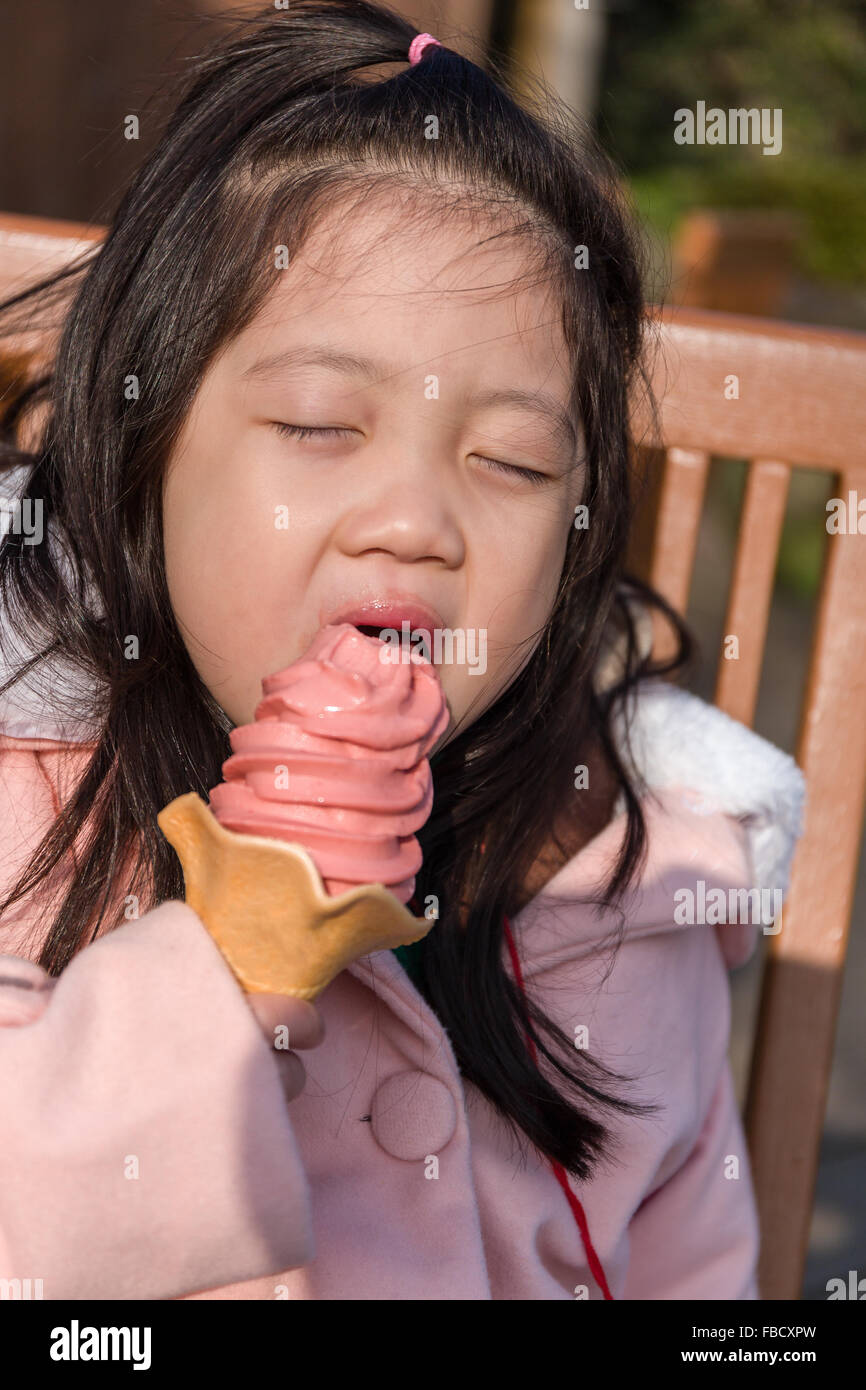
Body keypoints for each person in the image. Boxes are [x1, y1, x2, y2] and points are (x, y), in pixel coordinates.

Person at [0, 1, 804, 1300]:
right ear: (139, 459)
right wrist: (232, 964)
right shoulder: (21, 816)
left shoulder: (630, 903)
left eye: (512, 460)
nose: (418, 522)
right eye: (321, 424)